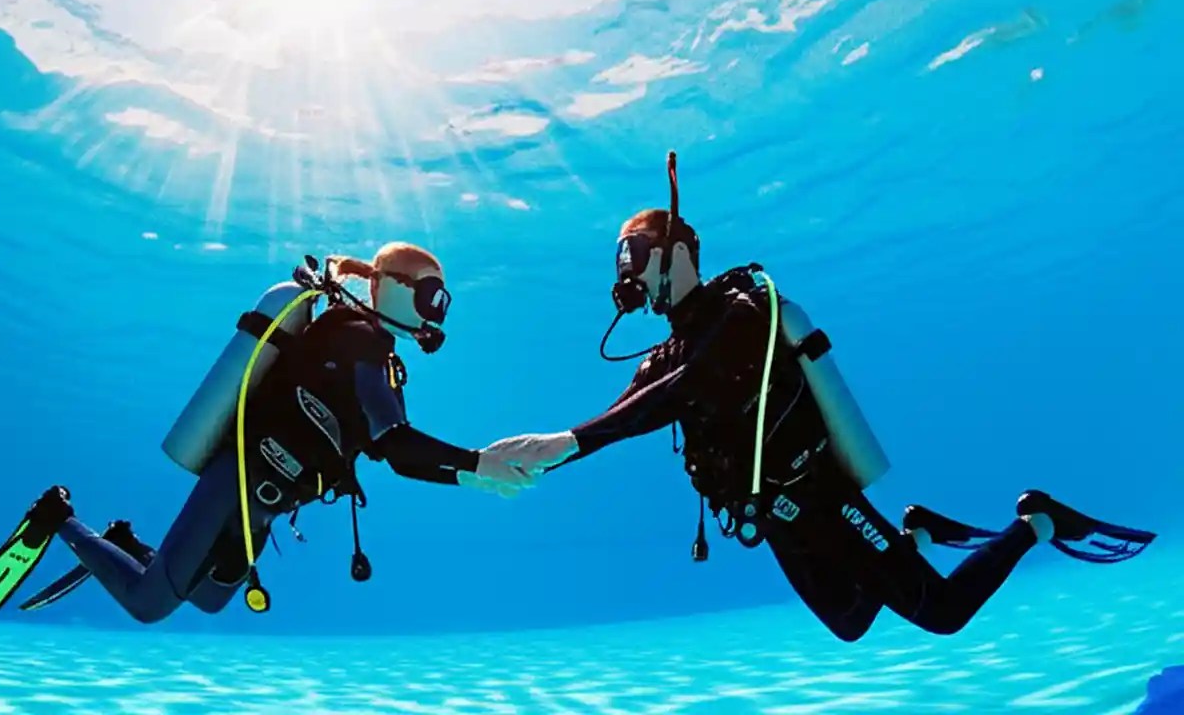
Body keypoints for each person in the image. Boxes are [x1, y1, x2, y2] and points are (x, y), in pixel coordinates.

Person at [481, 152, 1156, 641]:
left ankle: (1037, 519)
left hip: (819, 496)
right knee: (851, 625)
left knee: (943, 614)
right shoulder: (663, 352)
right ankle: (918, 530)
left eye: (634, 258)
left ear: (677, 251)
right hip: (770, 515)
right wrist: (532, 455)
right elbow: (623, 415)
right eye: (621, 265)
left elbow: (689, 387)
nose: (628, 279)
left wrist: (567, 441)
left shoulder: (743, 311)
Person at [0, 243, 535, 622]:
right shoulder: (358, 340)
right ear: (396, 289)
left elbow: (394, 449)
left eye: (445, 302)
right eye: (434, 297)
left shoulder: (378, 357)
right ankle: (58, 518)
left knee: (208, 598)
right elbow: (395, 444)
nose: (438, 314)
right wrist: (476, 463)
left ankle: (126, 543)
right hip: (243, 473)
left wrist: (470, 471)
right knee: (151, 604)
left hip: (269, 501)